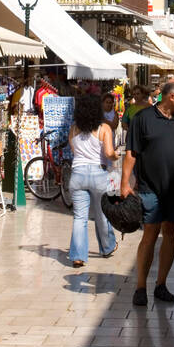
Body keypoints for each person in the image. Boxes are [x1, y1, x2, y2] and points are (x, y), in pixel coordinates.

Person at [121, 77, 174, 307]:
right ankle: (140, 286)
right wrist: (124, 183)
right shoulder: (142, 119)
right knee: (150, 234)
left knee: (171, 233)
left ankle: (161, 284)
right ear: (171, 96)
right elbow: (131, 154)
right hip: (149, 188)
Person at [67, 93, 119, 268]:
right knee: (102, 214)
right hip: (98, 173)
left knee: (79, 217)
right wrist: (116, 156)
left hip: (77, 174)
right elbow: (109, 153)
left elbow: (75, 151)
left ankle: (78, 256)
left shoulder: (73, 129)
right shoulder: (104, 128)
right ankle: (107, 247)